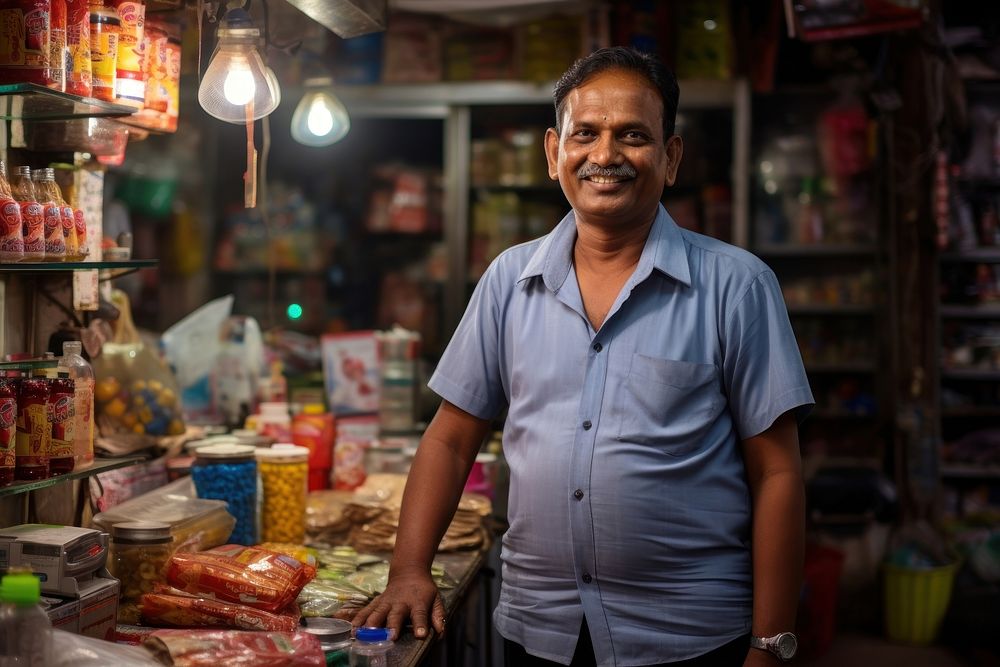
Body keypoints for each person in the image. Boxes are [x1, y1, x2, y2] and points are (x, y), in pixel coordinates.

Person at [351, 46, 814, 667]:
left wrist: (771, 641)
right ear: (553, 153)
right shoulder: (508, 280)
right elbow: (450, 439)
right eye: (586, 134)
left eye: (633, 136)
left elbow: (777, 473)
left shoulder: (737, 286)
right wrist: (409, 570)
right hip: (540, 627)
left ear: (670, 157)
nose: (605, 156)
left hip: (688, 636)